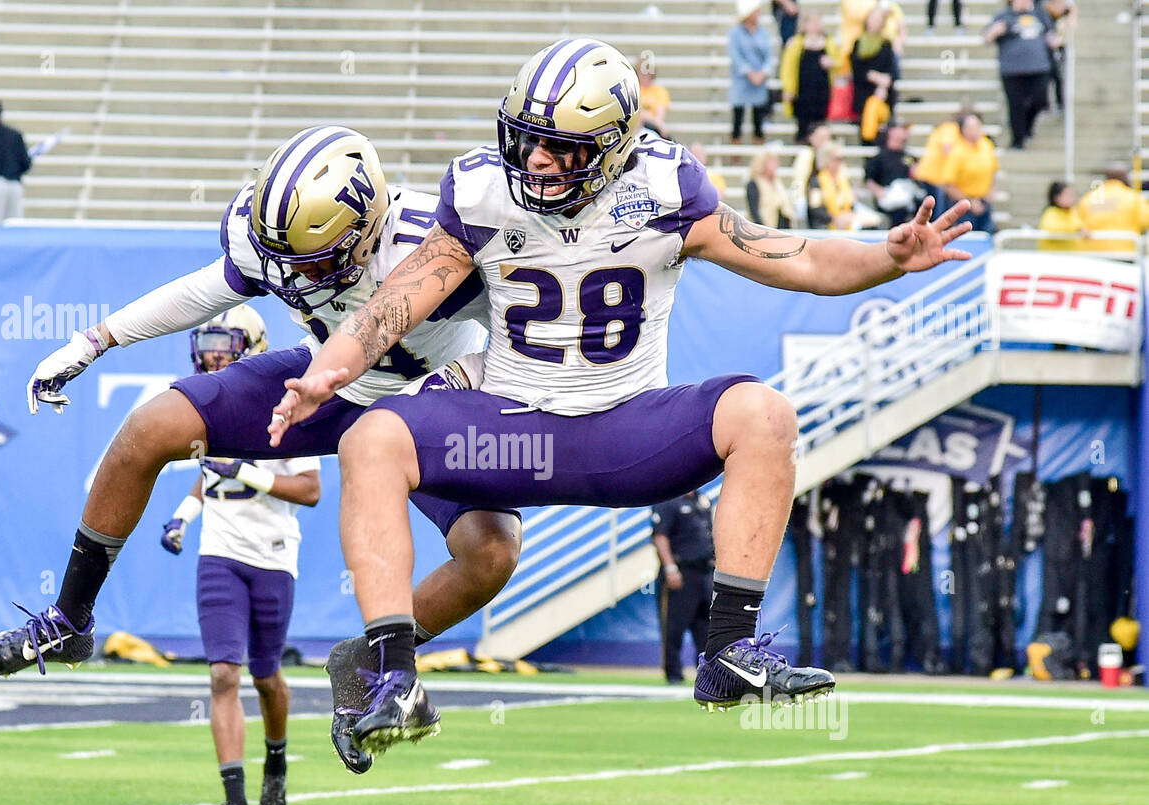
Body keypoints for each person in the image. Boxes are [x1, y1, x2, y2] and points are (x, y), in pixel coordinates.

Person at [268, 38, 972, 753]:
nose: (536, 161)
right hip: (513, 431)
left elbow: (798, 256)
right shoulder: (482, 191)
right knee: (370, 438)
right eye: (527, 141)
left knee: (766, 415)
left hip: (626, 433)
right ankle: (390, 672)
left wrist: (888, 258)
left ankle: (729, 650)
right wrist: (330, 369)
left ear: (613, 147)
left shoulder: (664, 187)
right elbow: (402, 296)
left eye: (560, 148)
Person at [0, 127, 523, 779]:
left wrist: (470, 378)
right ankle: (70, 618)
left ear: (367, 227)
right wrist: (97, 338)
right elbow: (210, 289)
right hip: (322, 384)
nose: (300, 278)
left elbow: (532, 332)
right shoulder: (277, 238)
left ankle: (370, 660)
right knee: (149, 429)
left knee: (492, 550)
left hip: (425, 397)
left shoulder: (436, 240)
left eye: (319, 261)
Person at [158, 306, 319, 805]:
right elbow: (208, 480)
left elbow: (310, 490)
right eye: (206, 342)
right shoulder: (208, 408)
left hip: (272, 554)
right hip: (219, 554)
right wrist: (182, 518)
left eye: (222, 342)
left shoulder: (287, 402)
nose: (211, 353)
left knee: (266, 675)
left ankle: (276, 764)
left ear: (251, 345)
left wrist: (248, 471)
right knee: (223, 674)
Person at [651, 491, 715, 685]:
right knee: (673, 627)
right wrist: (670, 568)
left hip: (704, 571)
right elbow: (660, 536)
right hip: (680, 571)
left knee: (705, 628)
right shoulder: (668, 500)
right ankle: (673, 674)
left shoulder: (702, 500)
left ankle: (706, 675)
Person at [983, 0, 1058, 150]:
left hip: (1038, 67)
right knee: (1015, 106)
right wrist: (996, 31)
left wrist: (1054, 41)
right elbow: (986, 38)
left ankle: (1027, 126)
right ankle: (1018, 139)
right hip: (1012, 69)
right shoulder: (1003, 15)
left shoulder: (1040, 13)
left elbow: (1051, 35)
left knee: (1040, 100)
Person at [780, 12, 841, 142]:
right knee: (803, 126)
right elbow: (788, 68)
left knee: (821, 126)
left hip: (822, 93)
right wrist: (788, 88)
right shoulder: (796, 43)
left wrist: (832, 63)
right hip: (802, 93)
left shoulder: (829, 42)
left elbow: (840, 63)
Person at [729, 0, 776, 144]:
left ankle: (758, 151)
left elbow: (769, 56)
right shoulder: (736, 33)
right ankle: (735, 153)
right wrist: (749, 72)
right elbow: (735, 55)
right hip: (742, 81)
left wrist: (762, 73)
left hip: (759, 82)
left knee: (758, 120)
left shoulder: (763, 32)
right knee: (738, 119)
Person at [941, 113, 998, 233]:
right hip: (962, 205)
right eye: (972, 127)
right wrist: (969, 202)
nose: (976, 130)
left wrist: (990, 192)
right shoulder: (956, 151)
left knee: (987, 234)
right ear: (963, 130)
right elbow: (948, 184)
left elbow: (993, 169)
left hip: (984, 201)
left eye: (978, 126)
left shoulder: (986, 145)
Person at [1077, 164, 1149, 254]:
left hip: (1092, 251)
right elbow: (1145, 221)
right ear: (1125, 177)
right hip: (1124, 251)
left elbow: (1077, 222)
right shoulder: (1134, 197)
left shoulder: (1089, 197)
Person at [864, 121, 922, 225]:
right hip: (889, 196)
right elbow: (868, 180)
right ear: (891, 132)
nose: (905, 132)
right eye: (902, 129)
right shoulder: (879, 158)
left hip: (908, 195)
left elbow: (918, 178)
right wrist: (879, 192)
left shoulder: (910, 157)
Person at [851, 8, 899, 123]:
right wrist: (873, 76)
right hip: (864, 90)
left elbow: (891, 69)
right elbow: (857, 68)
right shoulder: (858, 43)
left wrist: (883, 85)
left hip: (882, 92)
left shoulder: (886, 44)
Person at [790, 121, 833, 218]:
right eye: (822, 137)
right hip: (811, 196)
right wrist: (799, 199)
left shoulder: (833, 156)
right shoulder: (806, 154)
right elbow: (799, 179)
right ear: (812, 137)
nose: (825, 141)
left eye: (828, 138)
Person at [746, 148, 796, 227]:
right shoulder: (754, 184)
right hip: (764, 228)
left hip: (782, 228)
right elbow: (754, 212)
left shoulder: (778, 183)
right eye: (772, 162)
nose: (776, 165)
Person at [1044, 0, 1075, 111]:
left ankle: (1060, 104)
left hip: (1059, 49)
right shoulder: (1044, 16)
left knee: (1059, 76)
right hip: (1046, 51)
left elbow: (1072, 25)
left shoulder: (1064, 15)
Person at [1036, 180, 1083, 250]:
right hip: (1054, 257)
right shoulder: (1050, 212)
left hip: (1071, 256)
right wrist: (1076, 228)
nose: (1072, 198)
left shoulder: (1073, 211)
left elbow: (1081, 225)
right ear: (1057, 197)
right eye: (1068, 195)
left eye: (1072, 195)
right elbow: (1052, 229)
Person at [636, 59, 672, 139]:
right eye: (642, 73)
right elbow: (637, 114)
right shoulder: (634, 90)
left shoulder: (660, 91)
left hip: (652, 127)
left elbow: (659, 117)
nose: (645, 76)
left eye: (648, 73)